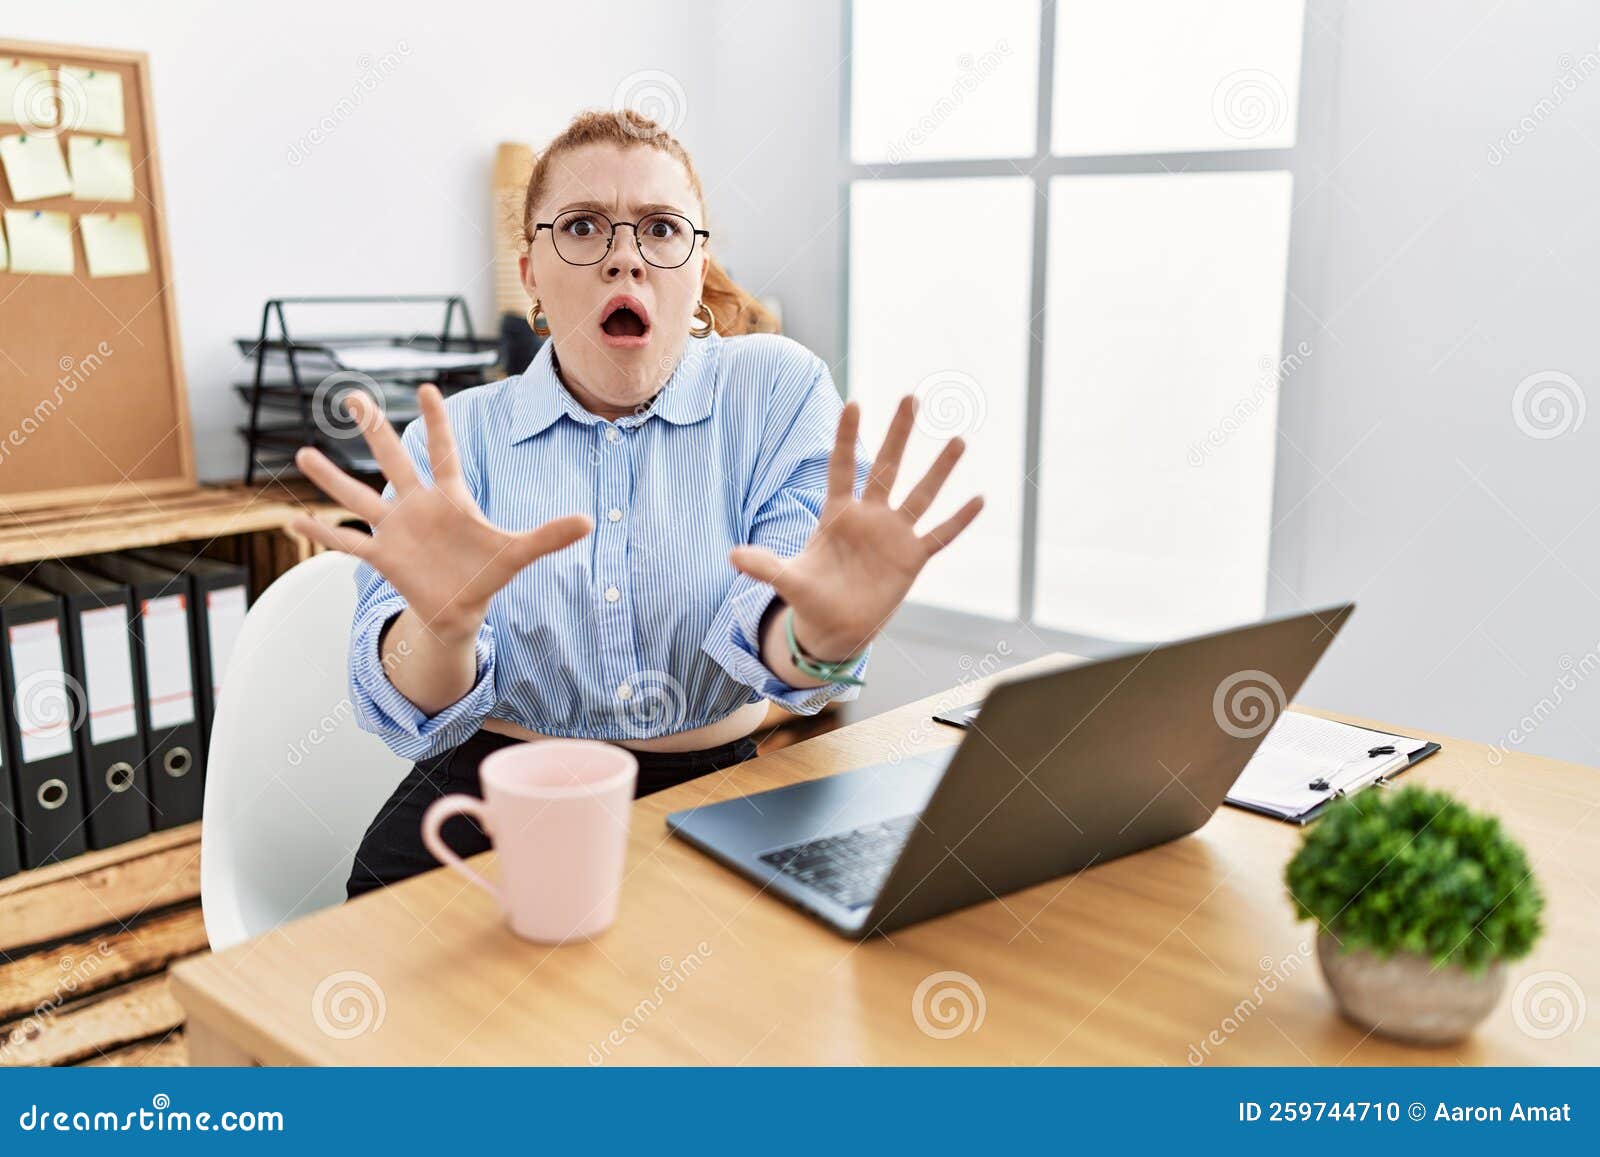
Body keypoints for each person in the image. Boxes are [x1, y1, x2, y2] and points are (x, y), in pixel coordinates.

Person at [289, 108, 984, 900]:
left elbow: (786, 634)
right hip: (489, 791)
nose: (626, 258)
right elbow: (406, 700)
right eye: (584, 227)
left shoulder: (777, 391)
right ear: (531, 277)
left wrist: (823, 632)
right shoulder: (455, 443)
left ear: (697, 266)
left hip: (709, 788)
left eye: (659, 229)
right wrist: (442, 626)